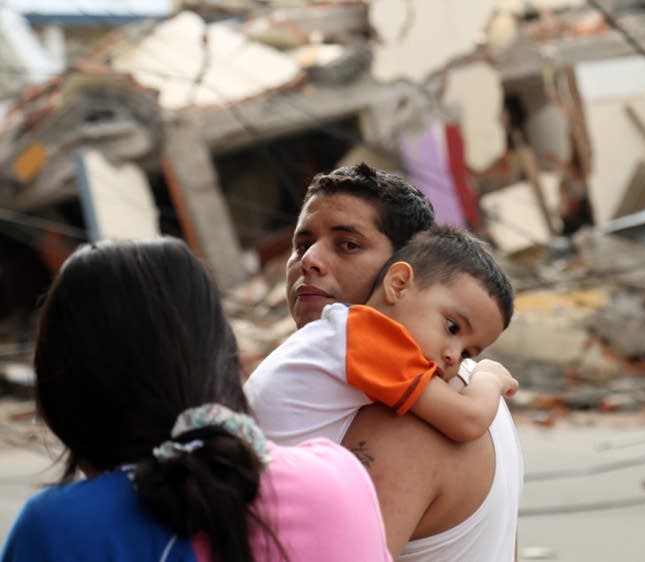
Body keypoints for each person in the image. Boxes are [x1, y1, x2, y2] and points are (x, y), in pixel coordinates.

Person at [0, 238, 391, 562]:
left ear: (63, 390)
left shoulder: (58, 530)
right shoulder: (340, 478)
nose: (310, 261)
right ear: (222, 351)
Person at [268, 162, 523, 561]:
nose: (310, 260)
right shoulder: (460, 384)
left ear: (400, 274)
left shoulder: (402, 412)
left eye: (348, 245)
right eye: (302, 245)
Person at [246, 224, 519, 447]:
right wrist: (489, 378)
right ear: (398, 285)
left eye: (468, 354)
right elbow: (467, 421)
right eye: (452, 327)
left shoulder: (344, 329)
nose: (453, 356)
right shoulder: (373, 339)